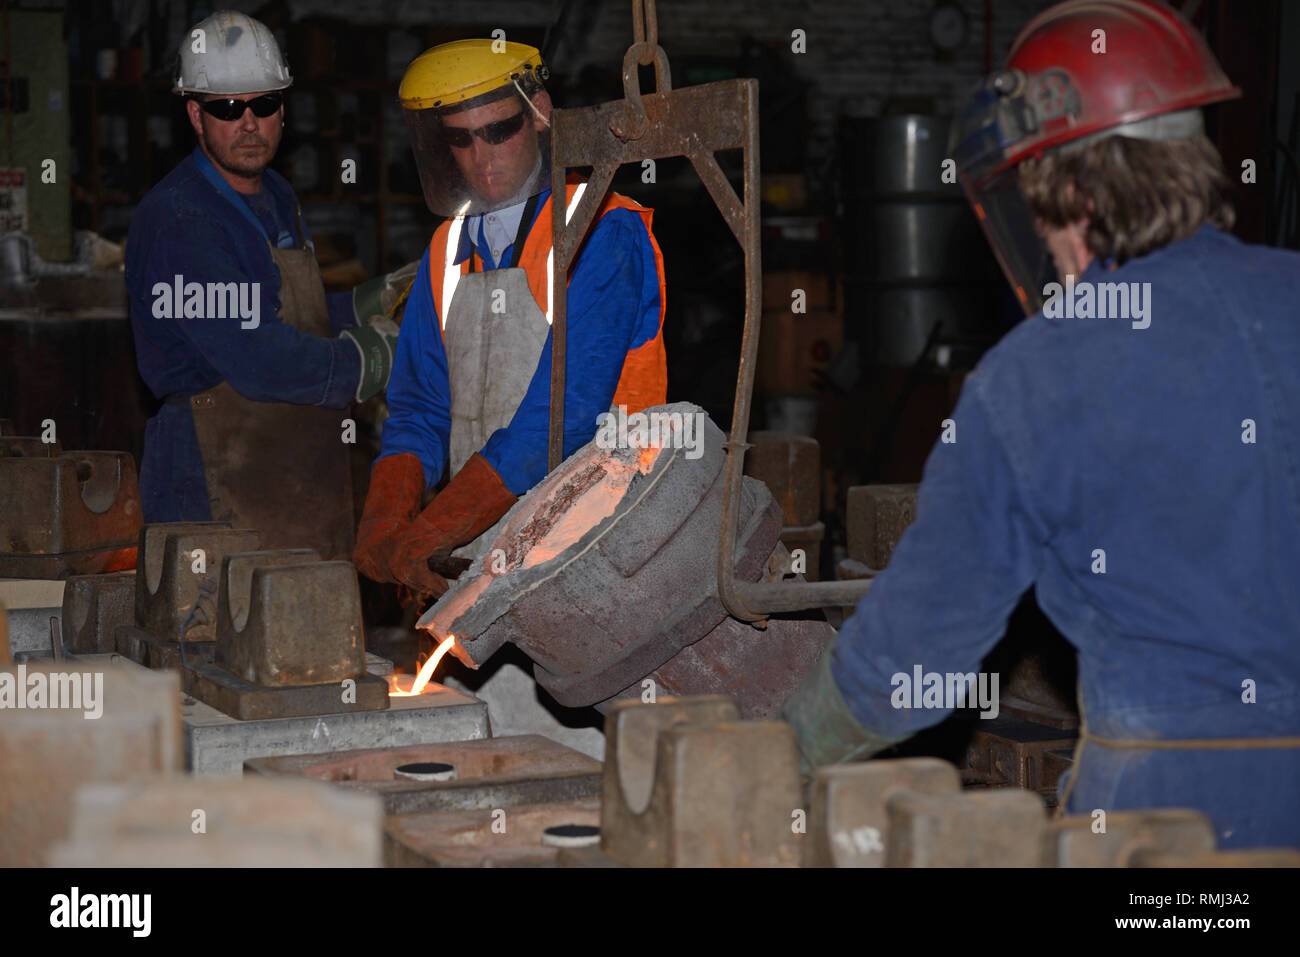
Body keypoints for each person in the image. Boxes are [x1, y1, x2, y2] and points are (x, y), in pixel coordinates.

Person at [783, 0, 1300, 849]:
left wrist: (780, 748)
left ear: (1067, 188)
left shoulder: (1034, 379)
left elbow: (911, 659)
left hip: (1162, 824)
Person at [353, 39, 667, 601]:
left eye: (499, 130)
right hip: (482, 545)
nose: (482, 156)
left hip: (601, 539)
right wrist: (385, 519)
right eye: (460, 138)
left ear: (540, 114)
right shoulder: (447, 247)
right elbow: (419, 408)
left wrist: (431, 529)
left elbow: (563, 420)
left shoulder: (601, 230)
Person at [125, 10, 404, 559]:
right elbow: (260, 358)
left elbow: (267, 309)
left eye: (265, 104)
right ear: (195, 114)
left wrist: (362, 303)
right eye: (227, 108)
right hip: (211, 472)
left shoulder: (274, 192)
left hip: (288, 460)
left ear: (283, 109)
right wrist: (367, 361)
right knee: (216, 633)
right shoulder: (183, 221)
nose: (248, 123)